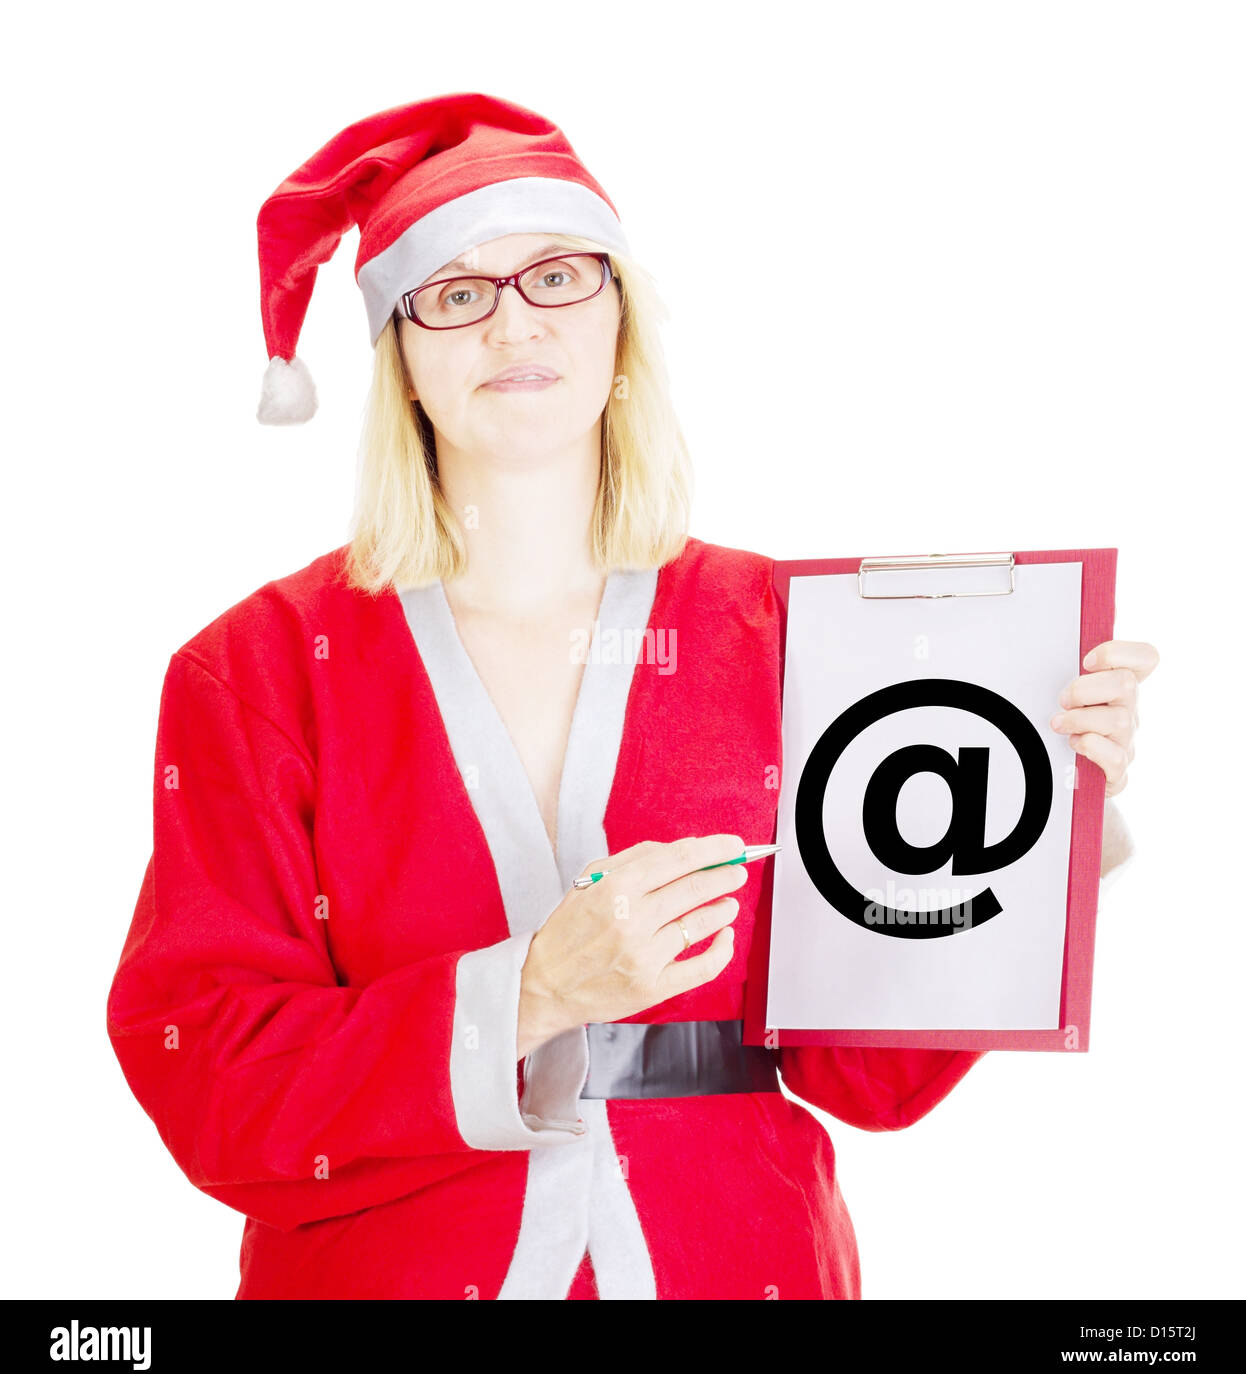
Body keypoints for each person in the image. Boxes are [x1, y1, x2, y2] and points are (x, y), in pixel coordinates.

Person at [105, 91, 1157, 1300]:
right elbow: (209, 1081)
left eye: (557, 276)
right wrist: (533, 993)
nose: (513, 322)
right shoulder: (256, 670)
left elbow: (869, 1075)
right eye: (456, 292)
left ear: (619, 322)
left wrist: (1039, 809)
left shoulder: (787, 632)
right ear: (400, 358)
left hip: (744, 1263)